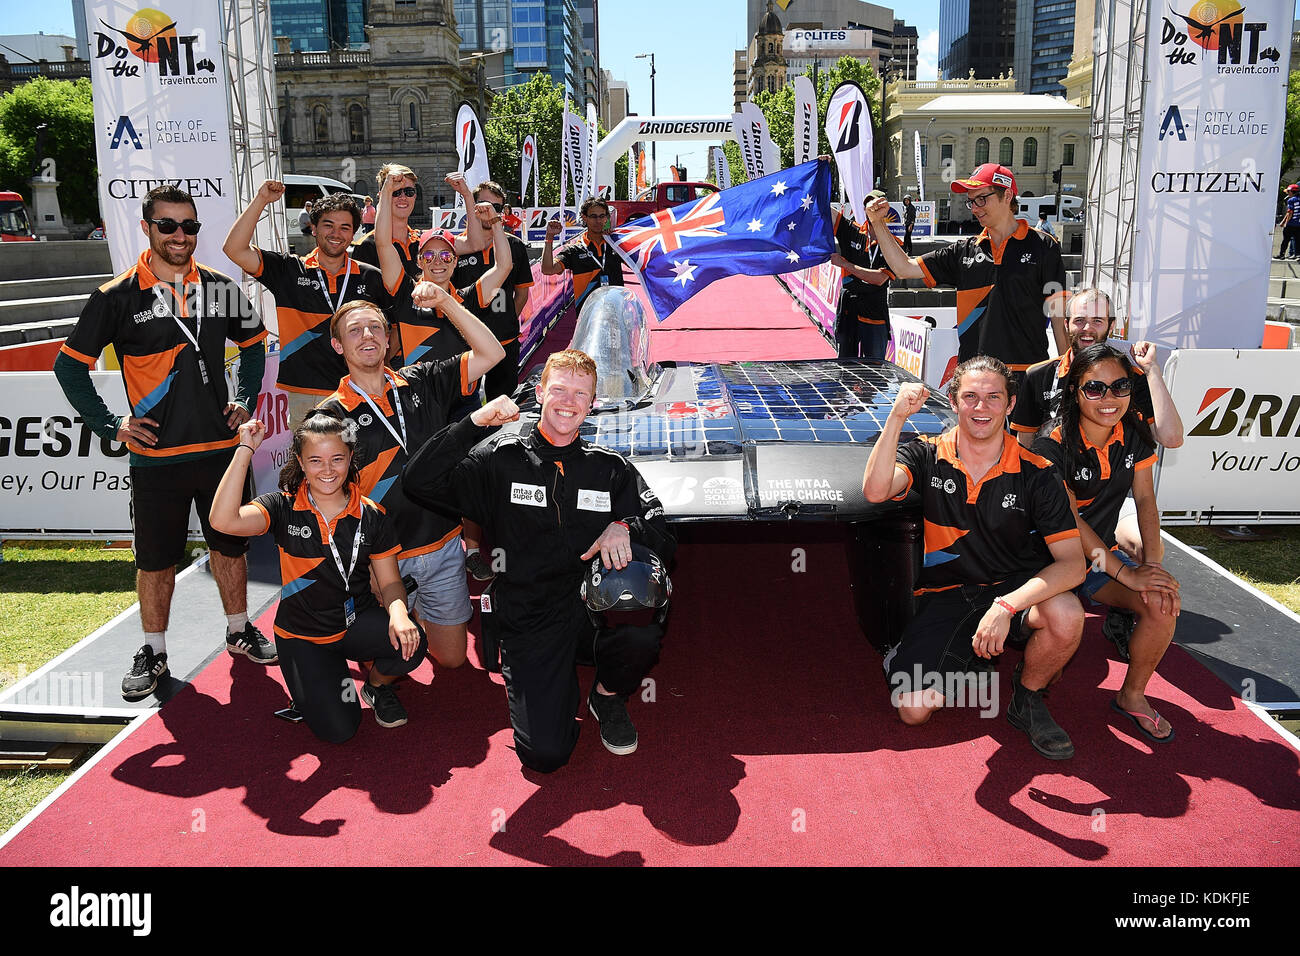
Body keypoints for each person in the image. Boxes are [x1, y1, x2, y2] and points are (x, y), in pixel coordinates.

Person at [403, 349, 675, 772]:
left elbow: (661, 528)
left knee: (642, 616)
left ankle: (605, 696)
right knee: (546, 756)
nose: (568, 402)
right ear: (540, 392)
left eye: (580, 394)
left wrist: (626, 527)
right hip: (529, 615)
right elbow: (419, 481)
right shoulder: (499, 460)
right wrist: (474, 423)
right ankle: (548, 681)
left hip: (593, 609)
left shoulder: (609, 468)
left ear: (592, 403)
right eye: (559, 390)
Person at [53, 184, 275, 701]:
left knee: (230, 546)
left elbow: (254, 343)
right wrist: (111, 426)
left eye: (190, 226)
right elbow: (70, 367)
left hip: (221, 452)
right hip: (156, 457)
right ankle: (154, 652)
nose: (180, 235)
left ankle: (239, 629)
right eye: (168, 225)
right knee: (155, 561)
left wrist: (244, 395)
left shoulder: (219, 287)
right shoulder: (117, 295)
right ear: (147, 228)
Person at [863, 355, 1086, 760]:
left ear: (1011, 404)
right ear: (953, 402)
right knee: (913, 711)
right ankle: (952, 659)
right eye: (970, 397)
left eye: (993, 397)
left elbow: (1073, 564)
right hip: (948, 592)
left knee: (1067, 613)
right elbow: (876, 491)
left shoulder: (1038, 471)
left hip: (1016, 592)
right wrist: (896, 417)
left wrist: (1006, 606)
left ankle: (1028, 698)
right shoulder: (927, 453)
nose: (981, 408)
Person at [210, 409, 426, 742]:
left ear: (351, 457)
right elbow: (223, 521)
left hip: (354, 624)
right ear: (300, 461)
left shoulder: (372, 514)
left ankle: (376, 686)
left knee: (412, 641)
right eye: (315, 461)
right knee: (341, 731)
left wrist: (399, 615)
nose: (327, 470)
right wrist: (245, 450)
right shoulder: (280, 507)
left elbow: (390, 582)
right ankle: (314, 684)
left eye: (337, 459)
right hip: (304, 637)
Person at [316, 298, 503, 669]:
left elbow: (492, 351)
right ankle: (379, 674)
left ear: (389, 339)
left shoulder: (423, 379)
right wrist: (363, 566)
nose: (366, 336)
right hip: (383, 557)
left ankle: (414, 622)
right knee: (383, 657)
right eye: (354, 331)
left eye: (375, 328)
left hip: (442, 544)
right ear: (338, 345)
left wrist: (446, 301)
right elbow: (328, 501)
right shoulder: (329, 415)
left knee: (451, 660)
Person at [1032, 345, 1180, 742]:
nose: (1109, 398)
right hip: (1042, 562)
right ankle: (1025, 694)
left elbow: (1146, 499)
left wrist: (1153, 567)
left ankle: (1132, 697)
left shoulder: (1132, 434)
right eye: (1095, 388)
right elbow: (1072, 521)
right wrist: (1126, 574)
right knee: (1055, 655)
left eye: (1119, 387)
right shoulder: (1051, 444)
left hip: (1095, 562)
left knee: (1162, 602)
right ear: (1074, 391)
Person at [1010, 287, 1183, 584]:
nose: (1087, 329)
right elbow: (1022, 451)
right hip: (1056, 505)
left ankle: (1119, 586)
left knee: (1148, 549)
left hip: (1107, 504)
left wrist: (1152, 370)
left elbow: (1171, 437)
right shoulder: (1039, 376)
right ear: (1065, 324)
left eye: (1097, 321)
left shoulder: (1128, 377)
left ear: (1112, 326)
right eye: (1079, 320)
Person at [865, 163, 1069, 378]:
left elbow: (1058, 316)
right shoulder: (963, 250)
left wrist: (1067, 375)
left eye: (982, 199)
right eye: (971, 201)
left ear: (1007, 195)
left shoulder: (1044, 246)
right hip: (974, 376)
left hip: (1026, 375)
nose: (974, 208)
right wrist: (878, 223)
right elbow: (904, 268)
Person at [223, 182, 392, 428]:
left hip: (362, 388)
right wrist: (260, 200)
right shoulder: (288, 270)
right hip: (308, 394)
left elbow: (392, 331)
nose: (336, 234)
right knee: (315, 466)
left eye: (345, 227)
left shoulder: (370, 276)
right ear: (313, 228)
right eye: (328, 225)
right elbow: (234, 249)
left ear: (354, 232)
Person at [451, 180, 535, 403]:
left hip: (504, 342)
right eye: (482, 204)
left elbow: (522, 294)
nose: (488, 211)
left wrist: (505, 321)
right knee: (462, 408)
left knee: (503, 405)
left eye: (495, 207)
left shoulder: (514, 246)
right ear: (472, 206)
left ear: (503, 212)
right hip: (464, 344)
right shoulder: (454, 246)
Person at [351, 165, 486, 280]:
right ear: (382, 195)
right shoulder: (366, 246)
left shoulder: (424, 239)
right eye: (396, 192)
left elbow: (475, 244)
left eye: (409, 192)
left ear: (415, 196)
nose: (403, 197)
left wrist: (467, 195)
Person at [829, 192, 896, 360]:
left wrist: (845, 265)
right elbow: (826, 211)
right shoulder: (852, 230)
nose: (872, 208)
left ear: (885, 209)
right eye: (868, 204)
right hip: (848, 310)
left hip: (874, 314)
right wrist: (819, 173)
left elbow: (879, 279)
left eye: (877, 204)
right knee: (846, 366)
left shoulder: (893, 244)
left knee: (875, 370)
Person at [541, 197, 624, 315]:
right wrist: (549, 237)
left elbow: (643, 262)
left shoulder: (615, 244)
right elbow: (547, 269)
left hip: (616, 312)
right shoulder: (574, 250)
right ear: (585, 218)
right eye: (593, 216)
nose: (598, 220)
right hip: (588, 317)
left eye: (602, 216)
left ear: (606, 218)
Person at [1278, 184, 1300, 260]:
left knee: (1286, 240)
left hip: (1291, 223)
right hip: (1298, 224)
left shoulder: (1291, 200)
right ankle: (1297, 254)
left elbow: (1290, 212)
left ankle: (1282, 254)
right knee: (1297, 240)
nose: (1287, 193)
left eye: (1288, 191)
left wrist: (1285, 223)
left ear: (1292, 192)